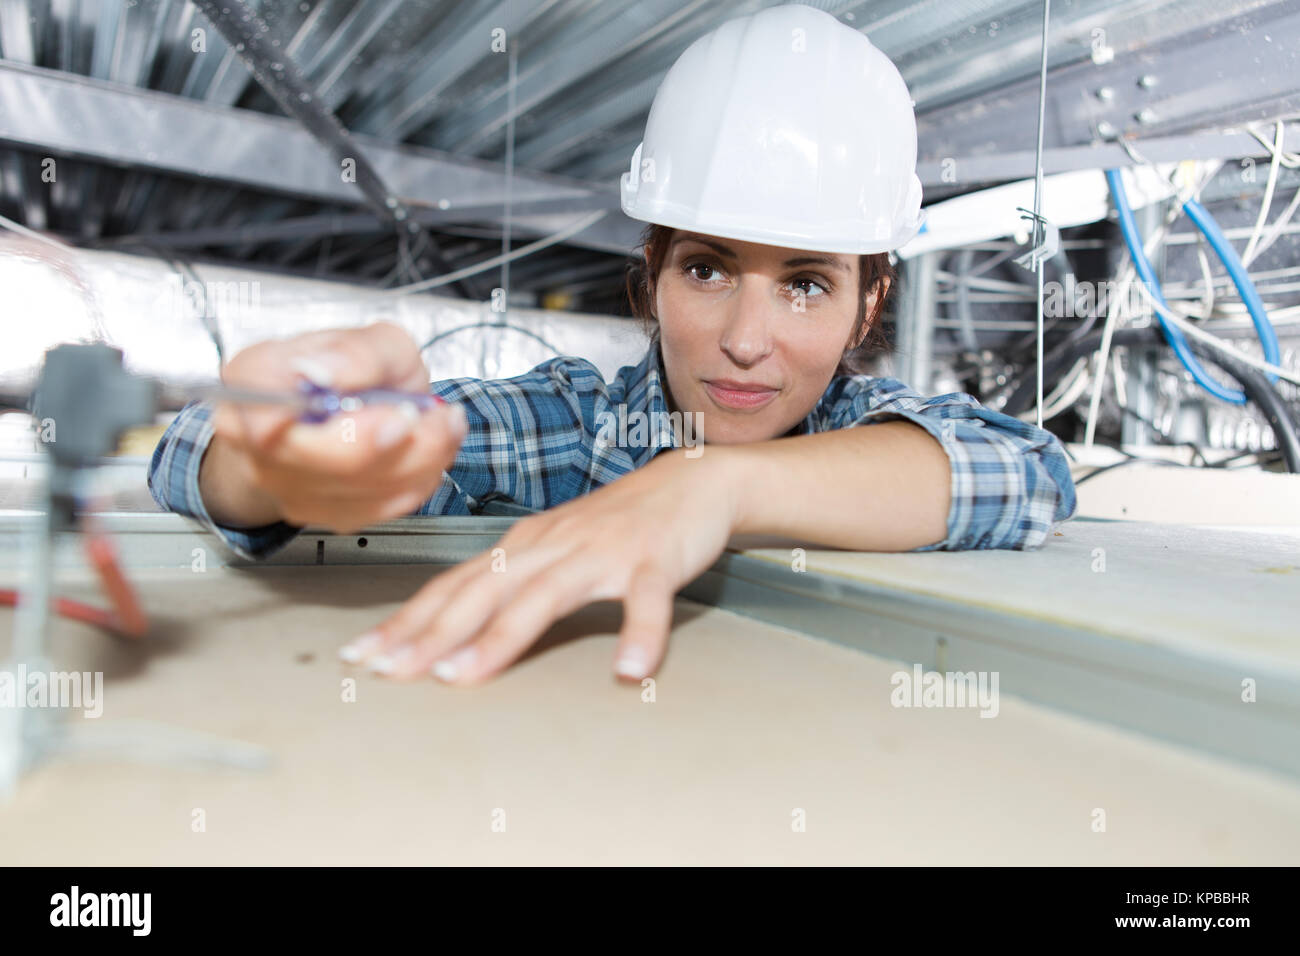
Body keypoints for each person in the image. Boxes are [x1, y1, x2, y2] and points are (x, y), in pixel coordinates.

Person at [148, 4, 1076, 686]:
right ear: (653, 275)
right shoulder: (571, 430)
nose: (747, 342)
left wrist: (712, 484)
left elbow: (1028, 470)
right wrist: (279, 457)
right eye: (709, 270)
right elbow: (190, 449)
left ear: (868, 303)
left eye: (804, 284)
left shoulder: (873, 432)